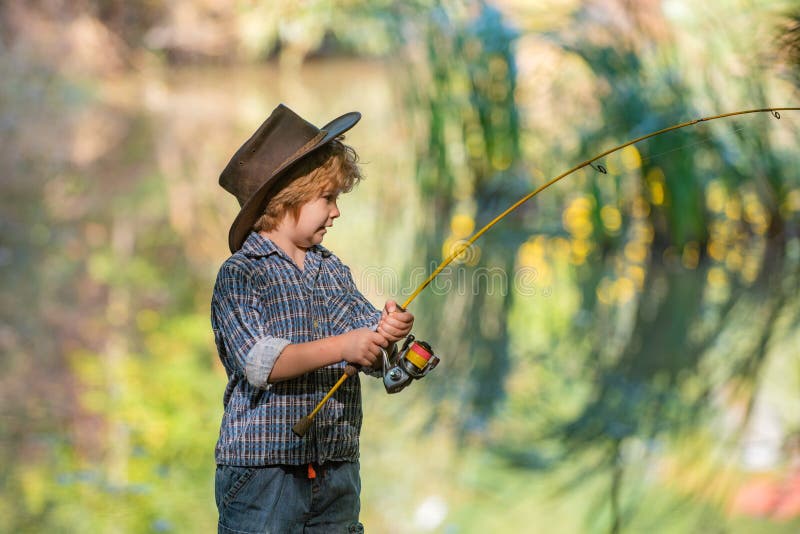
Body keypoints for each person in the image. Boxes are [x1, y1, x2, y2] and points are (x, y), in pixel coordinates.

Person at [211, 103, 414, 533]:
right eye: (328, 198)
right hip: (263, 478)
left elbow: (366, 339)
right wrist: (344, 346)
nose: (337, 211)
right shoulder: (242, 275)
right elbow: (260, 362)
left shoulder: (331, 269)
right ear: (287, 198)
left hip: (336, 471)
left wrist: (388, 331)